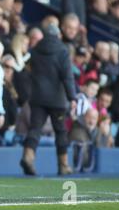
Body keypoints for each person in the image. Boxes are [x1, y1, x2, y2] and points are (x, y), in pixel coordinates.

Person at [20, 24, 77, 176]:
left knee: (35, 128)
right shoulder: (62, 50)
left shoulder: (36, 50)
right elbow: (67, 76)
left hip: (38, 97)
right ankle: (63, 165)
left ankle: (28, 156)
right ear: (58, 34)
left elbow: (30, 71)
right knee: (61, 131)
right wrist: (72, 97)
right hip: (57, 99)